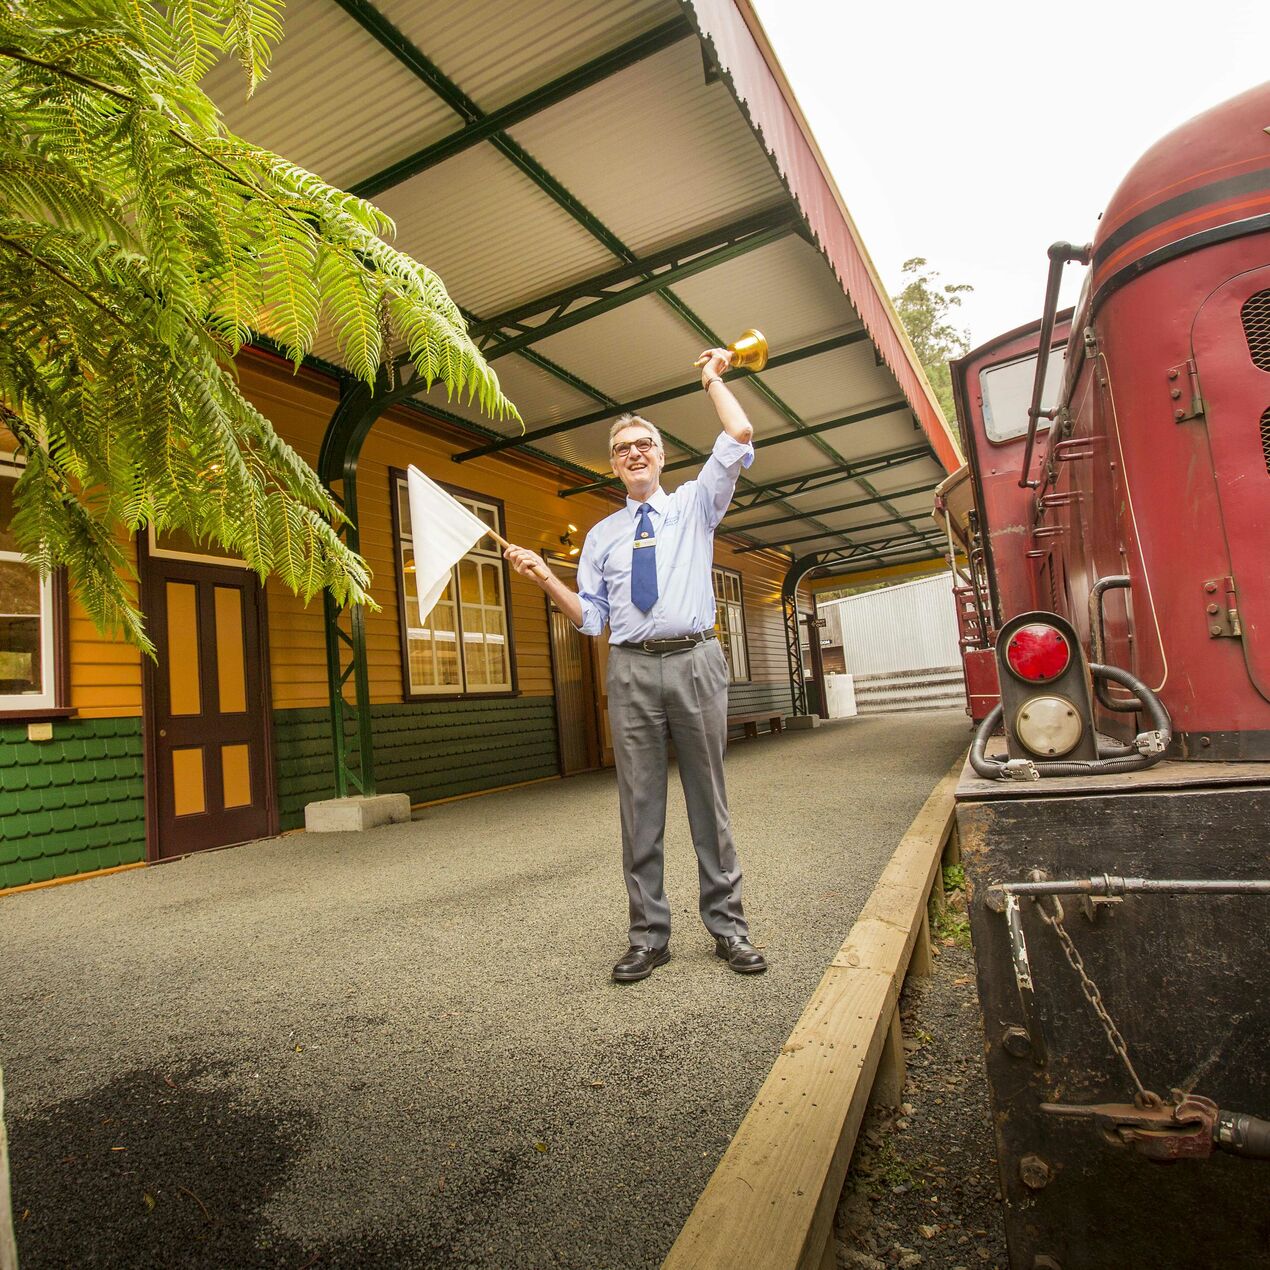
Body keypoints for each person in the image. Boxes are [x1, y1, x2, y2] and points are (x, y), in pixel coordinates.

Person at [504, 348, 767, 983]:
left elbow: (739, 434)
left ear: (661, 454)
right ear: (614, 464)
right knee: (639, 805)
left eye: (643, 443)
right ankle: (648, 937)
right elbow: (591, 618)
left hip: (696, 661)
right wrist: (545, 579)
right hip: (629, 671)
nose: (634, 453)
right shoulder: (599, 537)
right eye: (622, 448)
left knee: (709, 798)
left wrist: (711, 380)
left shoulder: (696, 506)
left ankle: (729, 928)